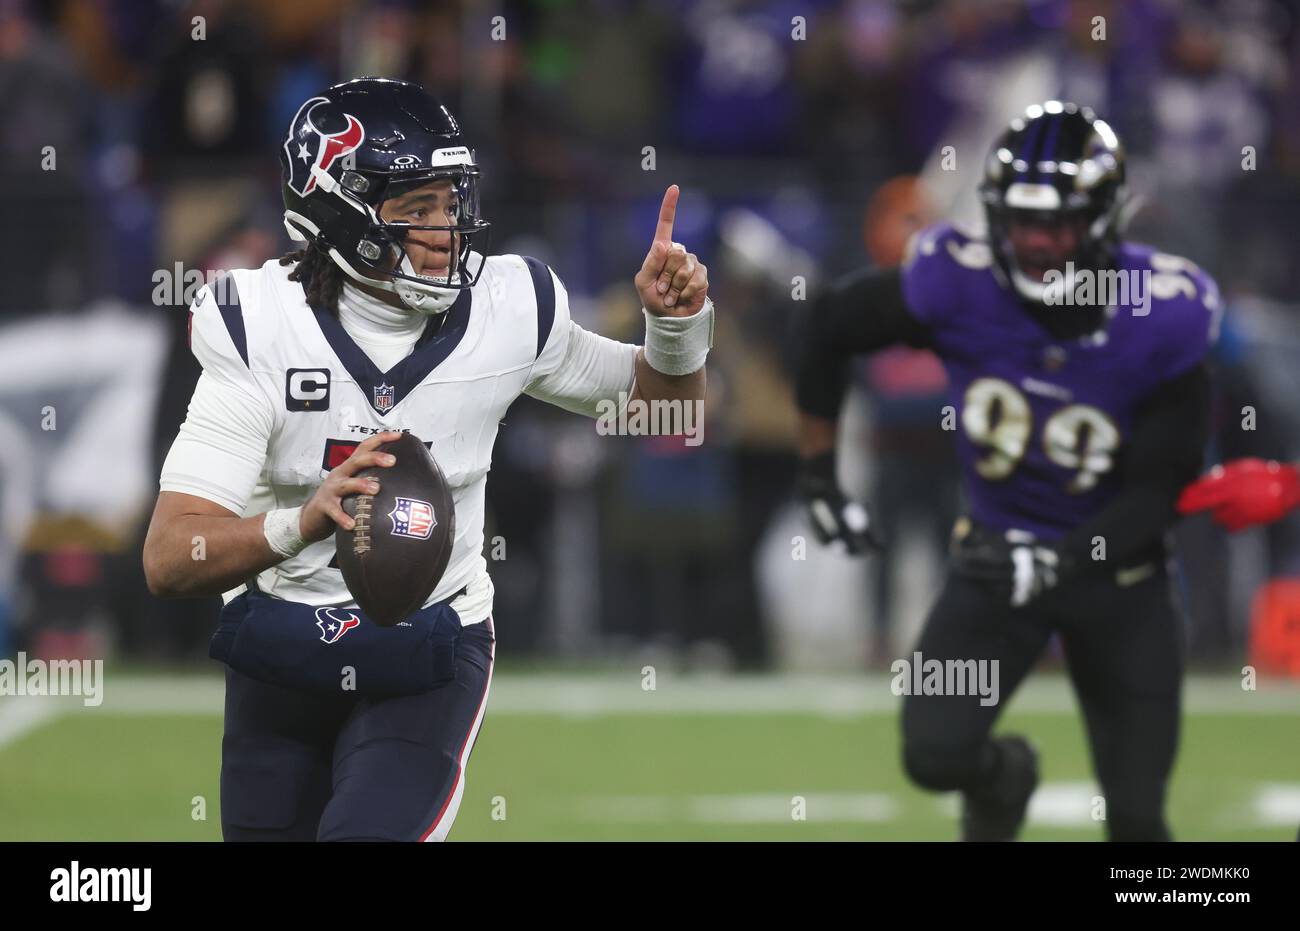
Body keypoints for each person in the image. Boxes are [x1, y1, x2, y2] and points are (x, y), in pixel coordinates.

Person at [141, 78, 713, 841]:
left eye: (449, 203)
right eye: (415, 210)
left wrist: (674, 328)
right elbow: (172, 554)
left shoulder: (507, 307)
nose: (445, 230)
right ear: (337, 210)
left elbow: (662, 405)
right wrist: (301, 522)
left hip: (428, 643)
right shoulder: (262, 326)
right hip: (282, 648)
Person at [795, 102, 1220, 841]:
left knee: (1138, 822)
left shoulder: (1163, 312)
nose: (1035, 244)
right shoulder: (958, 280)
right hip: (997, 565)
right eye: (1021, 222)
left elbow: (1161, 490)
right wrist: (818, 476)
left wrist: (1059, 561)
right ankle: (1006, 779)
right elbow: (829, 321)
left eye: (1055, 224)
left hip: (1120, 581)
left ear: (1103, 220)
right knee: (933, 753)